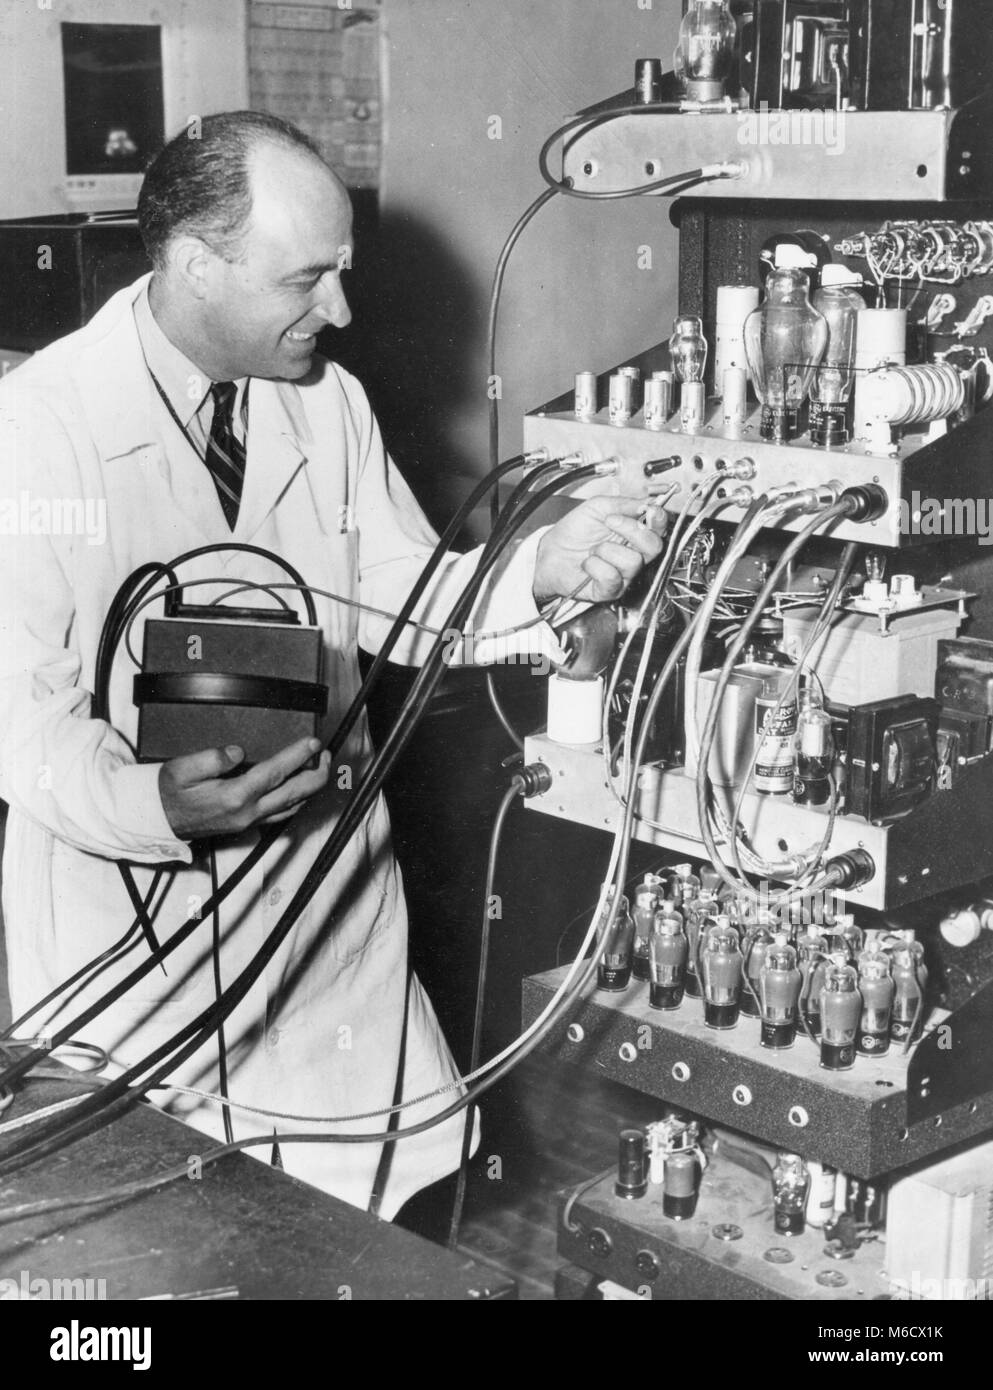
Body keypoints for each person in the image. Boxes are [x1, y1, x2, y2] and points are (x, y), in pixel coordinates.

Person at [0, 111, 661, 1219]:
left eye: (343, 272)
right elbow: (19, 721)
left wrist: (542, 568)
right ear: (196, 265)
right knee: (161, 1262)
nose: (341, 311)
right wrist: (151, 801)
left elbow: (406, 598)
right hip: (130, 955)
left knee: (362, 1249)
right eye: (306, 279)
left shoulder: (328, 403)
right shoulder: (42, 426)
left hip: (326, 937)